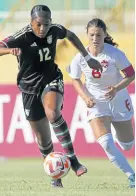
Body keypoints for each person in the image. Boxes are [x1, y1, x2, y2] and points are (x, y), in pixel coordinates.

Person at [0, 6, 103, 188]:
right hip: (29, 88)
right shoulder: (22, 36)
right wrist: (9, 51)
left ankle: (74, 160)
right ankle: (55, 176)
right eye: (38, 24)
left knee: (53, 113)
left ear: (50, 22)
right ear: (31, 22)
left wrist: (87, 58)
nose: (42, 29)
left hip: (51, 79)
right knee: (43, 140)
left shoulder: (54, 30)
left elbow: (70, 35)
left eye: (46, 24)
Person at [67, 18, 135, 188]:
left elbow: (131, 75)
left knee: (127, 146)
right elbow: (75, 79)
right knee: (106, 143)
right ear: (87, 35)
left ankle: (126, 148)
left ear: (105, 35)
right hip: (96, 101)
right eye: (92, 35)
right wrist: (85, 97)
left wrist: (116, 89)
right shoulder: (80, 57)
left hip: (118, 98)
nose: (95, 38)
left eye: (98, 34)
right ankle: (132, 175)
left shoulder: (115, 54)